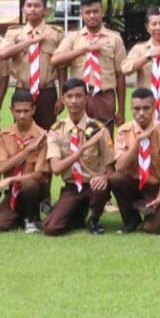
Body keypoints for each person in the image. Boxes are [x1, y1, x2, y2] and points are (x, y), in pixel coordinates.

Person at [42, 79, 116, 236]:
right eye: (69, 96)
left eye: (78, 96)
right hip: (72, 187)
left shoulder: (99, 129)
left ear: (86, 98)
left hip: (93, 184)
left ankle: (94, 218)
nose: (74, 101)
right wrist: (81, 150)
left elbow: (111, 169)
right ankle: (78, 214)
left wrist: (104, 177)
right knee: (50, 228)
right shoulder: (56, 131)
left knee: (99, 188)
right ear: (63, 99)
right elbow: (55, 169)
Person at [109, 88, 160, 234]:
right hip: (134, 184)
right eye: (137, 108)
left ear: (154, 107)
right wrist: (138, 142)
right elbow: (121, 166)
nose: (141, 113)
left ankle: (156, 211)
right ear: (131, 109)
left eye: (146, 108)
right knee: (116, 178)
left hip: (156, 186)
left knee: (152, 228)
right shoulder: (123, 131)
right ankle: (131, 220)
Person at [55, 0, 127, 130]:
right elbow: (56, 60)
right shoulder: (73, 37)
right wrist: (84, 49)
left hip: (104, 96)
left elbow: (120, 75)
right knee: (77, 136)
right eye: (87, 12)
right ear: (81, 14)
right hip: (79, 97)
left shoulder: (114, 39)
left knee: (105, 139)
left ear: (103, 12)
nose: (92, 16)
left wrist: (122, 110)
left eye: (95, 11)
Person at [0, 0, 66, 130]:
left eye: (37, 6)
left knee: (48, 133)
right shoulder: (13, 33)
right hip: (22, 90)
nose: (32, 9)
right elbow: (3, 53)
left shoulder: (55, 34)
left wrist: (61, 97)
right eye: (29, 6)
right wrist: (29, 42)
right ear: (23, 9)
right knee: (21, 132)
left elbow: (61, 67)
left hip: (47, 92)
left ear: (45, 10)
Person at [0, 89, 50, 234]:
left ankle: (31, 218)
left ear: (33, 110)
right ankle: (21, 216)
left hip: (33, 190)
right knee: (1, 226)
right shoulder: (4, 136)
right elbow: (0, 168)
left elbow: (39, 175)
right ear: (11, 110)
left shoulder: (43, 136)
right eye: (18, 111)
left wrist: (11, 179)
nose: (22, 115)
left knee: (29, 184)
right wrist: (27, 151)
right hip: (13, 190)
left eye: (26, 111)